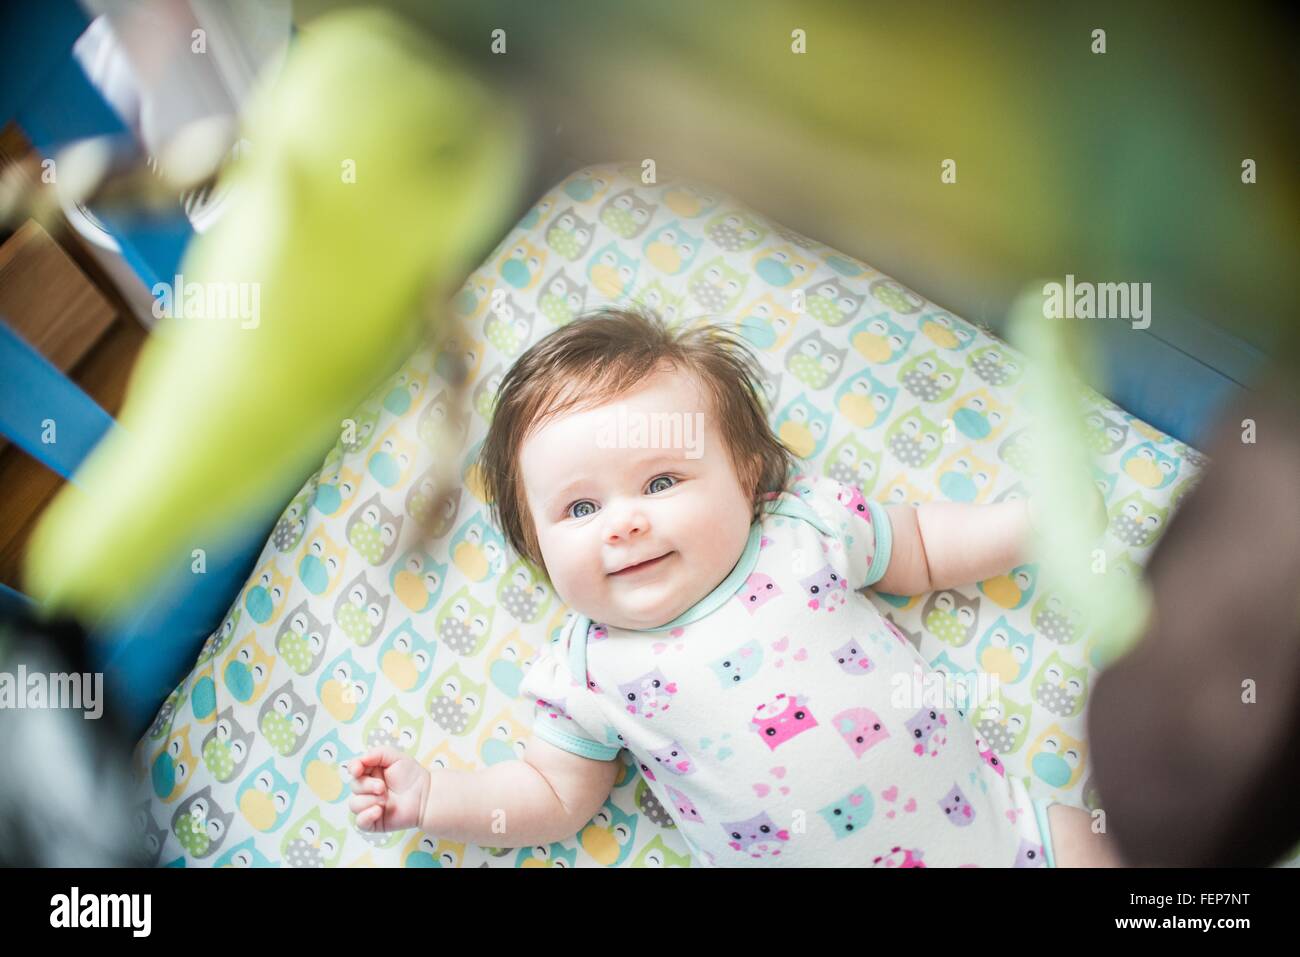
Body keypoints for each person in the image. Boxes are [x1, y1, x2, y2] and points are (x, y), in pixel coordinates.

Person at [346, 306, 1121, 866]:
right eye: (580, 508)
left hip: (1006, 834)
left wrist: (1030, 526)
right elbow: (553, 793)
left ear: (746, 473)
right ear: (537, 546)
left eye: (660, 480)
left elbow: (916, 545)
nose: (623, 523)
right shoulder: (589, 668)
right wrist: (434, 798)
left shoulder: (801, 531)